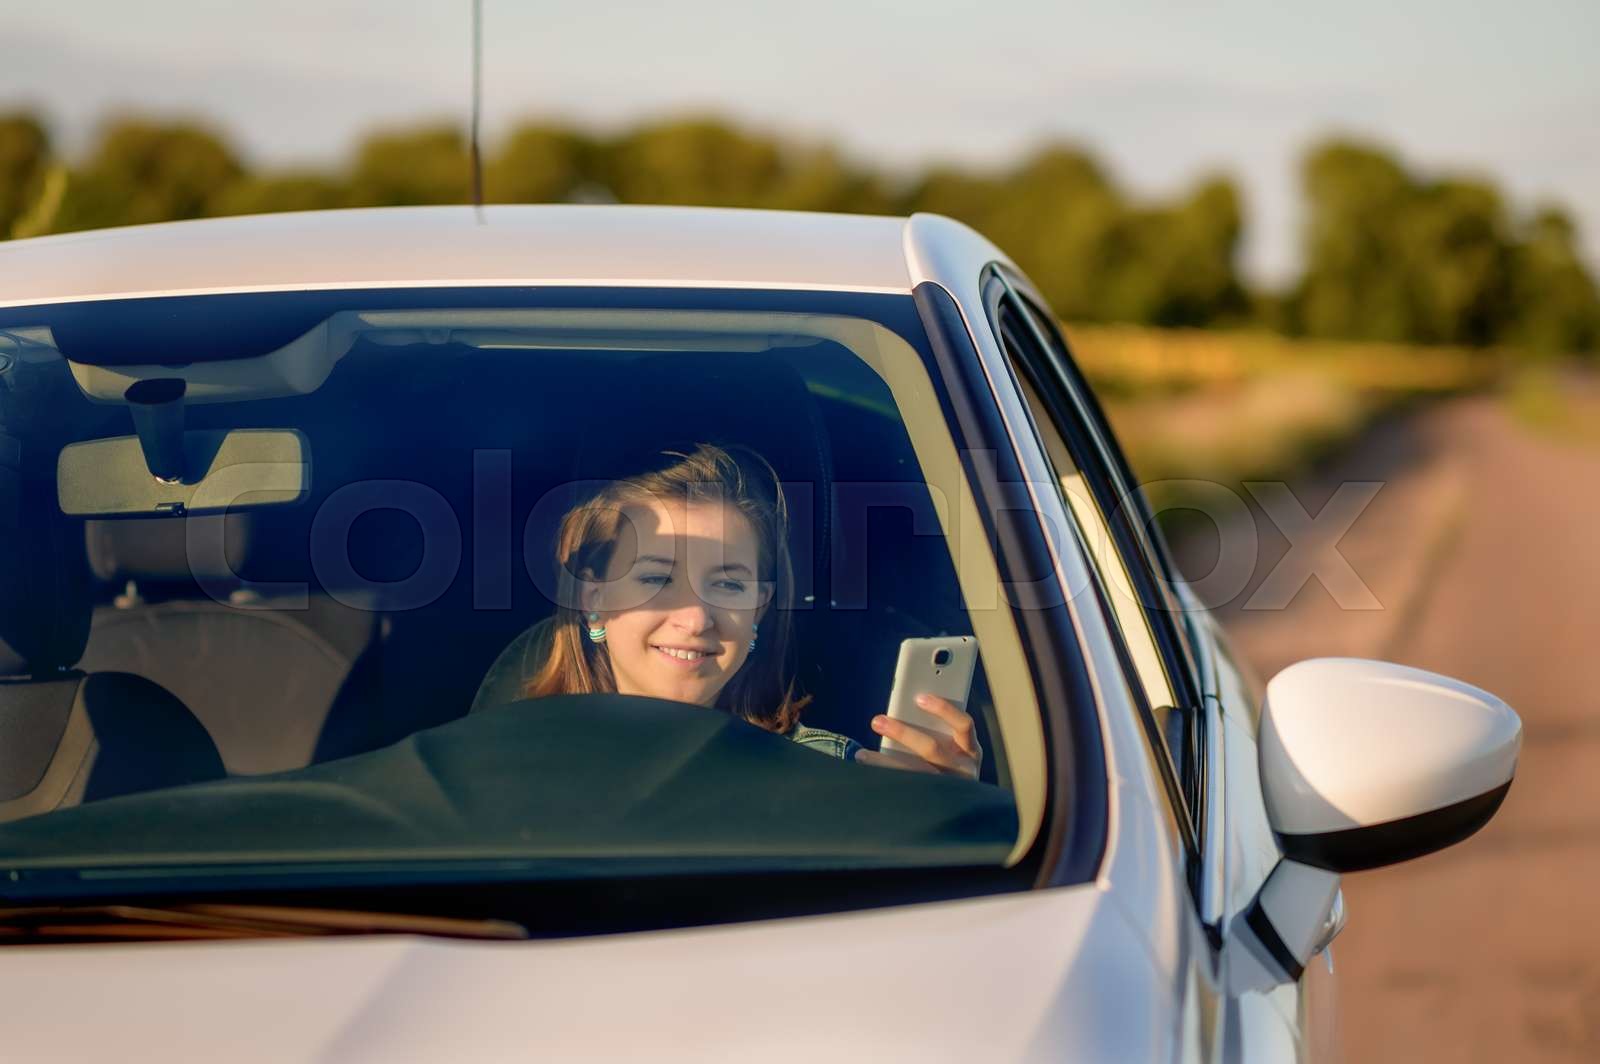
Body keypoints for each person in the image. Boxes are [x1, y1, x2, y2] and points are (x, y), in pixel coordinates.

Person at [472, 443, 981, 777]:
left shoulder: (837, 776)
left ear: (758, 609)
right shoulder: (490, 771)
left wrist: (947, 813)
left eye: (727, 585)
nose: (695, 619)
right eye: (656, 579)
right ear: (594, 599)